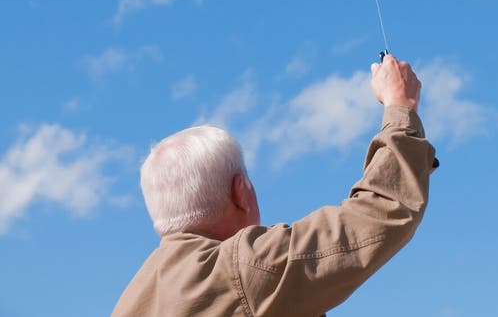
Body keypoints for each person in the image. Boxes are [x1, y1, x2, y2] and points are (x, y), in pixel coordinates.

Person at [112, 54, 437, 316]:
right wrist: (400, 108)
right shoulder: (236, 270)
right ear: (241, 191)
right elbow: (381, 211)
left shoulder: (130, 301)